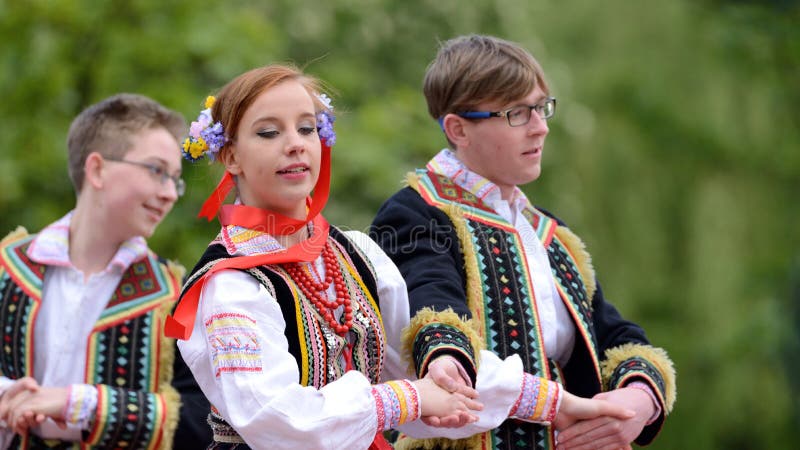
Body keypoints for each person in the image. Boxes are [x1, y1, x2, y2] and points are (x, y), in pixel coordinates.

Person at [370, 34, 677, 450]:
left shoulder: (550, 233)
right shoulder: (416, 212)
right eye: (517, 113)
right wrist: (444, 357)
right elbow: (433, 305)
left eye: (542, 107)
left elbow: (615, 334)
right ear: (458, 129)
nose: (541, 127)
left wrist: (637, 403)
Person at [164, 64, 490, 450]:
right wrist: (411, 398)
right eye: (269, 132)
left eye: (306, 128)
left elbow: (408, 370)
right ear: (231, 156)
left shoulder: (356, 254)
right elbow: (279, 420)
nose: (295, 143)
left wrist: (449, 385)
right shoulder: (230, 283)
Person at [0, 93, 212, 449]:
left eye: (175, 180)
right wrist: (9, 398)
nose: (170, 194)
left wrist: (84, 404)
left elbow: (203, 419)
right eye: (157, 171)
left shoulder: (174, 297)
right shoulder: (9, 268)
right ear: (97, 169)